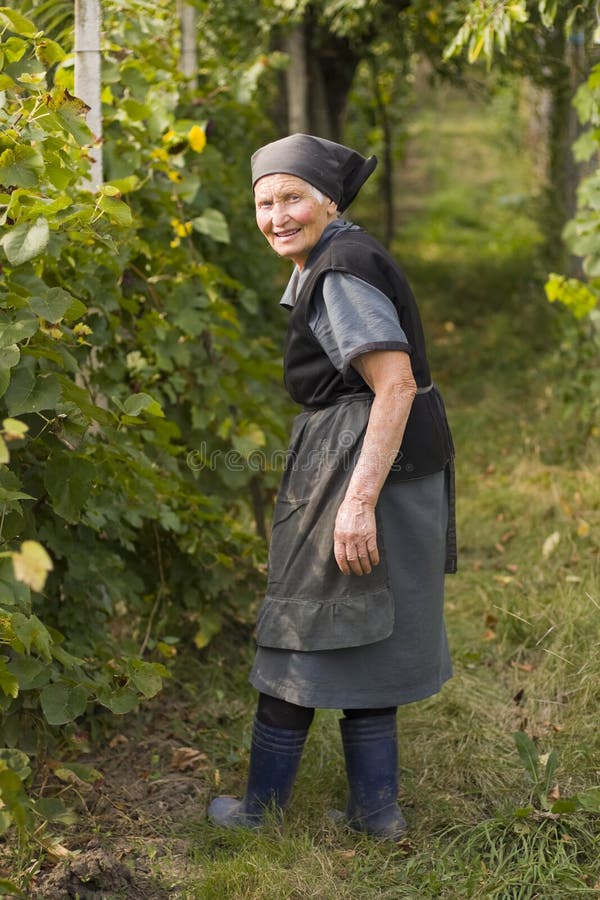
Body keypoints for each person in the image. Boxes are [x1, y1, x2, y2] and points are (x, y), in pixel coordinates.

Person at [208, 133, 456, 841]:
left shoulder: (340, 270)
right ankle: (376, 815)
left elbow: (395, 382)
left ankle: (260, 816)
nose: (277, 216)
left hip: (364, 463)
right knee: (365, 631)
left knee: (303, 626)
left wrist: (354, 502)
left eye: (292, 198)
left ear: (329, 201)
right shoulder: (340, 255)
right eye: (264, 202)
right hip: (388, 463)